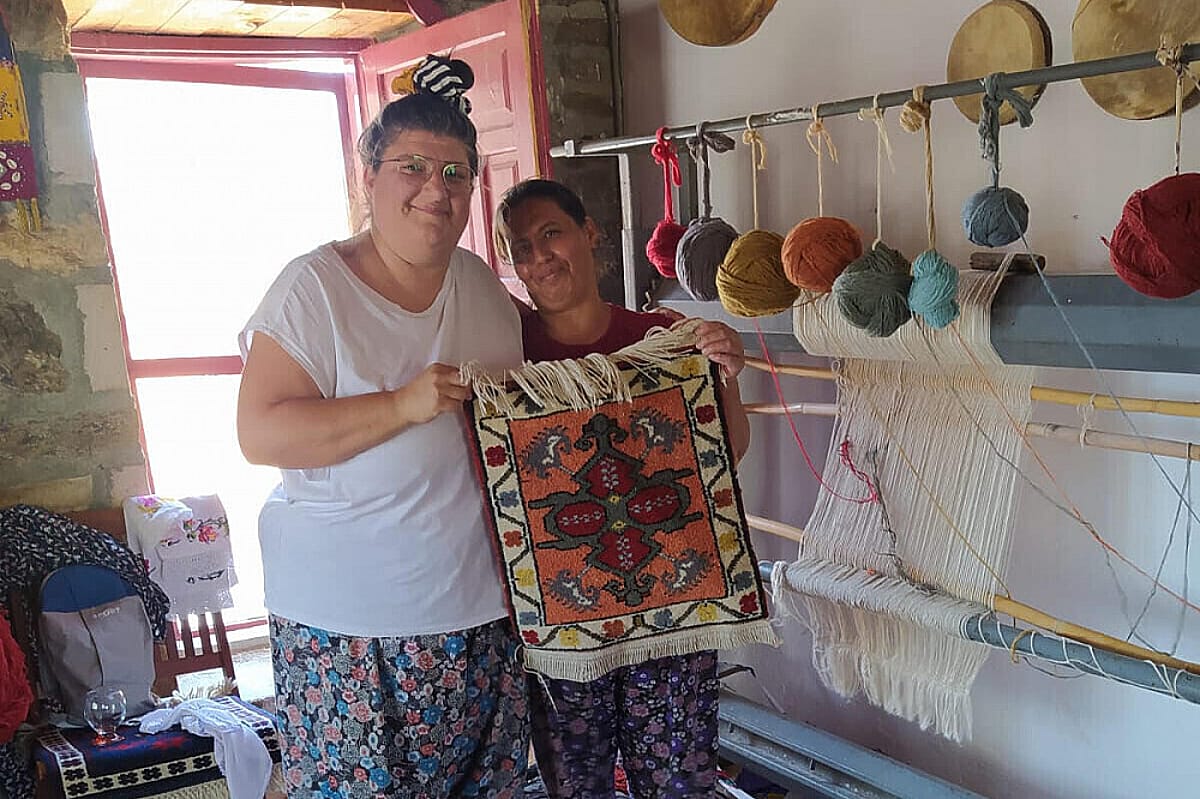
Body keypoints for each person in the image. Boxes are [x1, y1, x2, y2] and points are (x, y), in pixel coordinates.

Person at [236, 56, 528, 799]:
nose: (436, 189)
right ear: (368, 176)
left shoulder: (483, 290)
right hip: (351, 627)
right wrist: (401, 404)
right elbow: (261, 431)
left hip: (481, 614)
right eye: (413, 167)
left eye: (456, 173)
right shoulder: (314, 289)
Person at [492, 178, 751, 798]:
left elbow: (728, 449)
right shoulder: (505, 353)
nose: (539, 257)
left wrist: (728, 374)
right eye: (520, 248)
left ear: (590, 232)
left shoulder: (661, 338)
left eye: (551, 233)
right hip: (562, 620)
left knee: (679, 784)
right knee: (577, 787)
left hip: (670, 612)